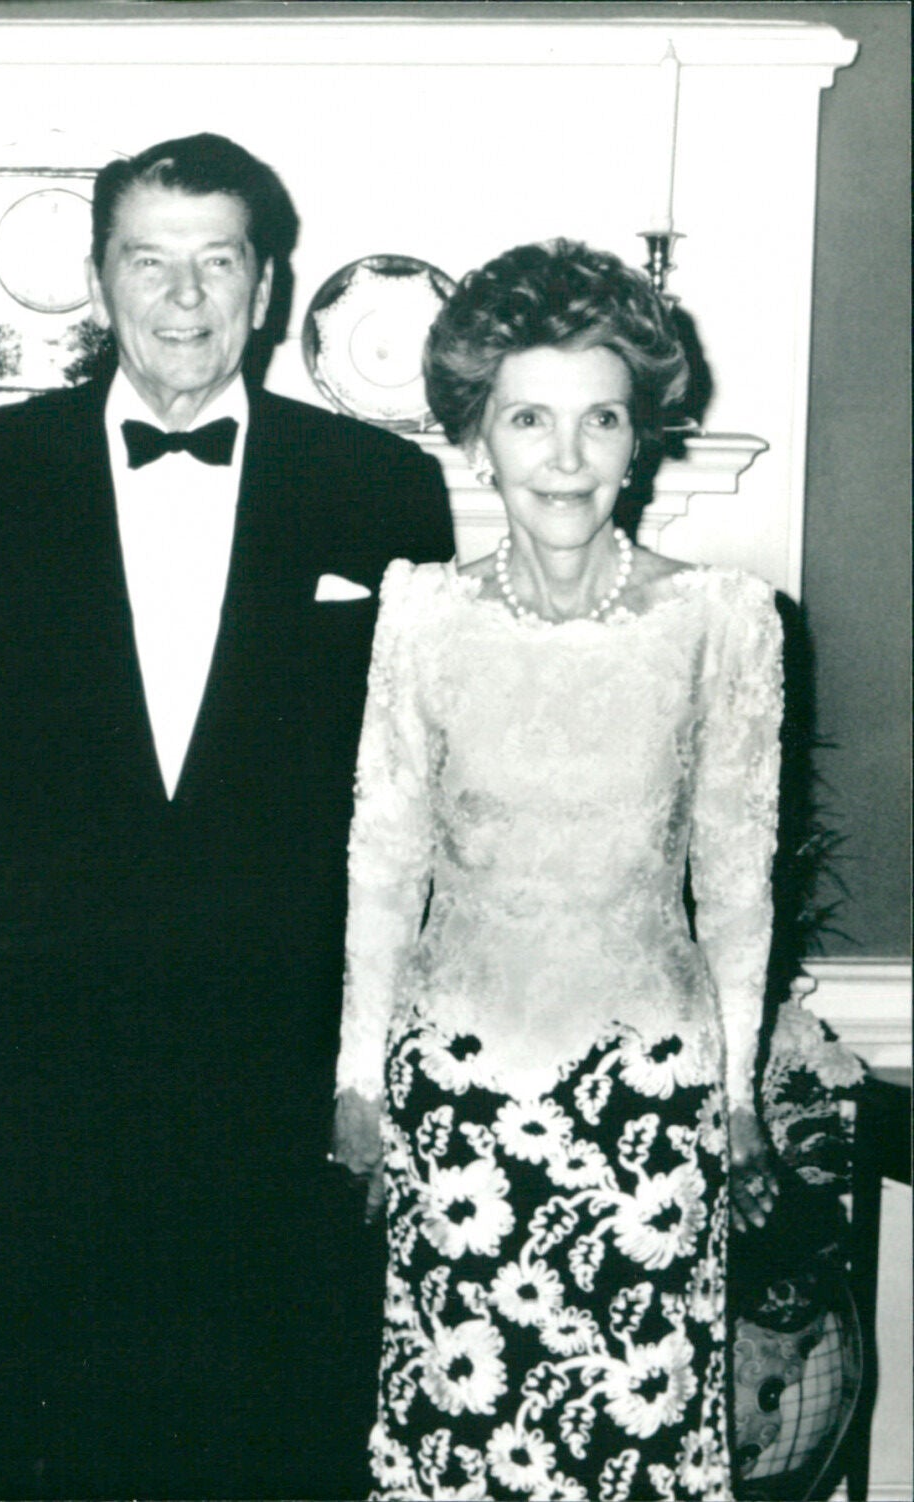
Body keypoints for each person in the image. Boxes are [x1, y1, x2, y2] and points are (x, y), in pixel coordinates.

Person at [0, 132, 456, 1498]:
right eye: (151, 260)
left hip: (281, 1054)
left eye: (217, 263)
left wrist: (380, 1045)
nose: (184, 298)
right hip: (42, 1043)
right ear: (100, 279)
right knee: (42, 1427)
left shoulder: (379, 487)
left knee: (277, 1425)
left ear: (265, 286)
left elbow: (419, 795)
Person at [331, 239, 782, 1500]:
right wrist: (357, 1081)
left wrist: (736, 1094)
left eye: (599, 419)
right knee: (466, 1430)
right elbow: (383, 861)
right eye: (529, 419)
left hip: (646, 1094)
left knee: (631, 1437)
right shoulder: (417, 614)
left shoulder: (720, 621)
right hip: (458, 1093)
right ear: (477, 437)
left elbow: (735, 881)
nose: (566, 456)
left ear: (639, 437)